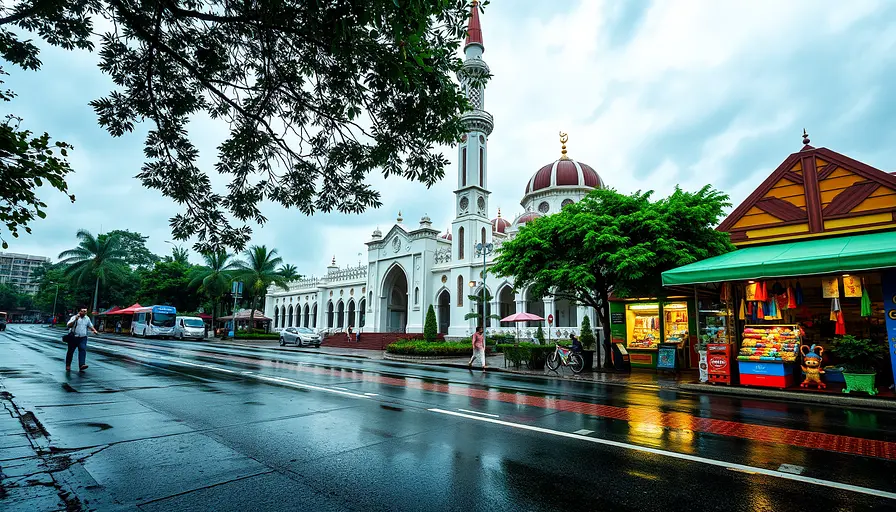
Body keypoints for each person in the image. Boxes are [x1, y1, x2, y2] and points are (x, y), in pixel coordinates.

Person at [66, 307, 98, 372]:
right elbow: (69, 325)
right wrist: (75, 320)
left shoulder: (87, 318)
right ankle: (68, 365)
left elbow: (90, 325)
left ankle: (81, 365)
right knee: (70, 351)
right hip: (73, 337)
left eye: (85, 311)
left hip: (83, 337)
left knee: (82, 349)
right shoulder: (74, 317)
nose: (84, 312)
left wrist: (94, 330)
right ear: (79, 311)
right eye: (83, 311)